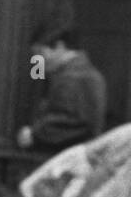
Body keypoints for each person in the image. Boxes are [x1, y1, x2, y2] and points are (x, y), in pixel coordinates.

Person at [17, 24, 106, 154]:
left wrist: (34, 134)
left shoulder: (75, 77)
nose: (37, 61)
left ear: (59, 46)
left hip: (68, 159)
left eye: (40, 53)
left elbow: (74, 122)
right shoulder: (79, 74)